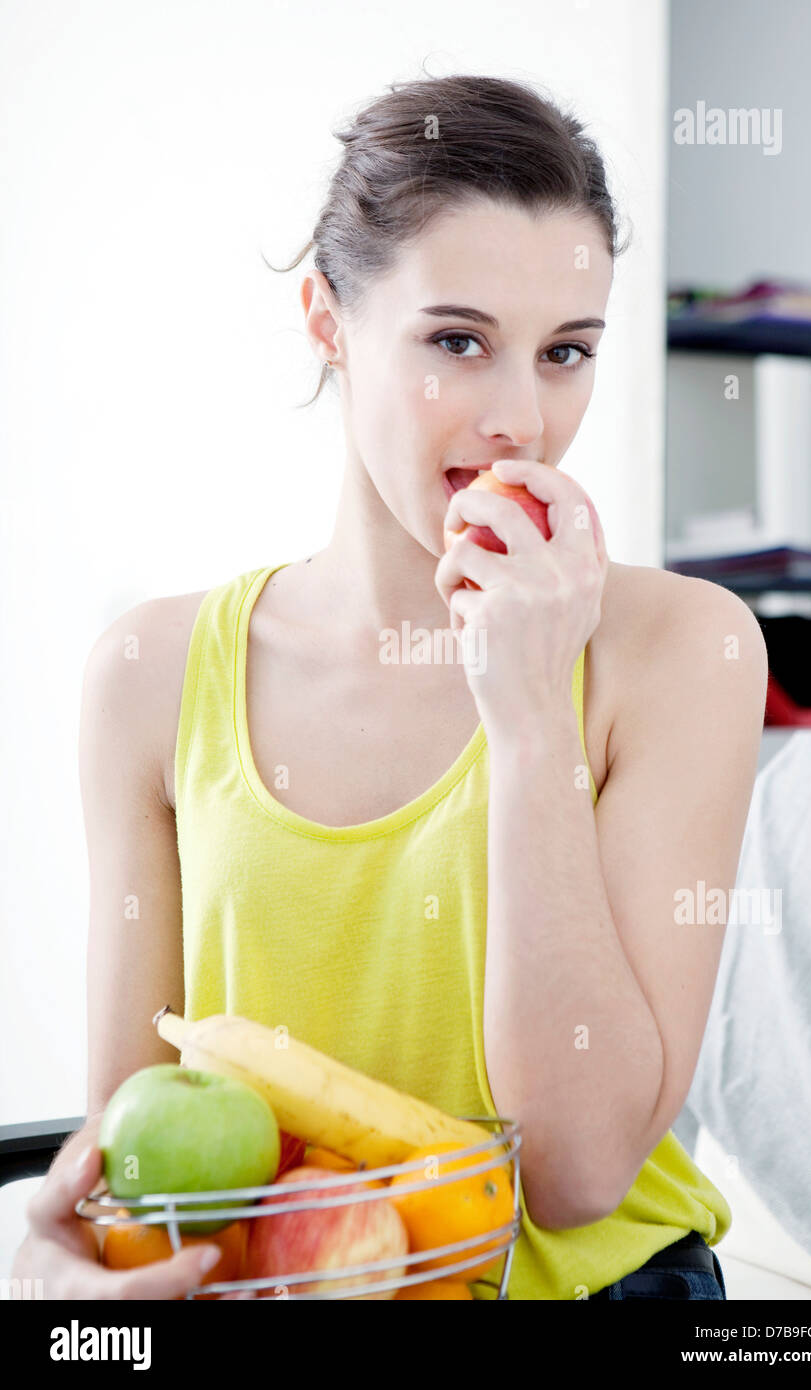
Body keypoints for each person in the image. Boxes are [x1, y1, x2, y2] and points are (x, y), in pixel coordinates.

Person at [12, 71, 767, 1300]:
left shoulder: (682, 650)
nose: (519, 417)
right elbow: (149, 1158)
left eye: (565, 352)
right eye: (456, 342)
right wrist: (63, 1292)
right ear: (325, 318)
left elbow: (573, 1173)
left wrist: (528, 718)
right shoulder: (149, 679)